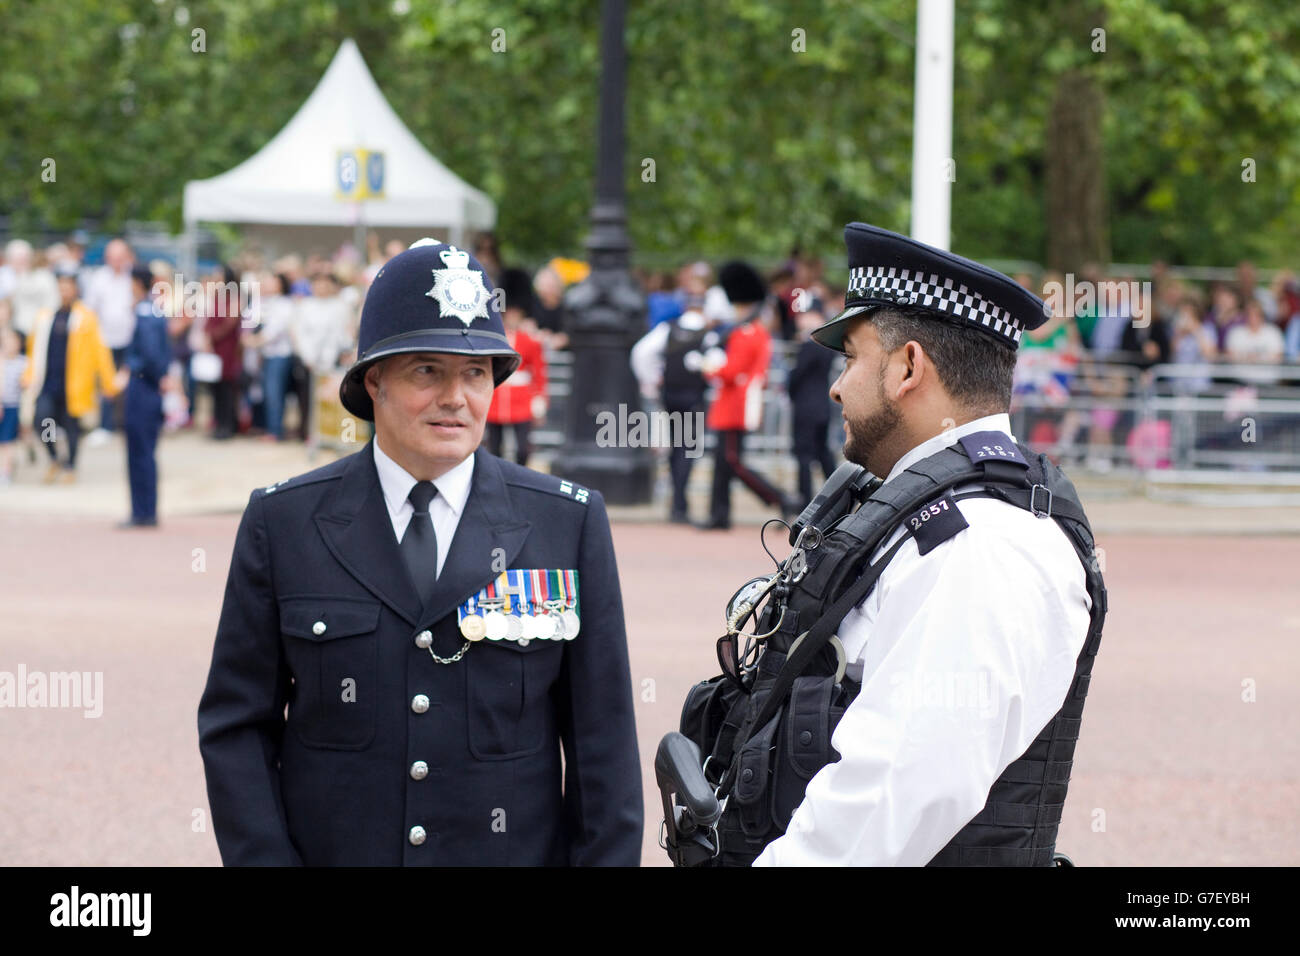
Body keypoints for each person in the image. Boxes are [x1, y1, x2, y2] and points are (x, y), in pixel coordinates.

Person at [669, 223, 1106, 867]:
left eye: (852, 357)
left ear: (907, 367)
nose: (837, 385)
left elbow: (895, 792)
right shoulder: (929, 513)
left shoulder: (982, 545)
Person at [198, 239, 643, 866]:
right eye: (427, 371)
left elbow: (605, 749)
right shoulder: (285, 521)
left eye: (475, 372)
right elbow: (236, 727)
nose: (455, 397)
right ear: (373, 381)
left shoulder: (564, 522)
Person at [702, 261, 796, 529]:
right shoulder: (753, 331)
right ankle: (719, 515)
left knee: (733, 463)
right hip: (734, 403)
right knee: (723, 464)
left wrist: (708, 368)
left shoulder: (746, 333)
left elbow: (732, 371)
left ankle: (781, 498)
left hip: (735, 405)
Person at [20, 268, 121, 483]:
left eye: (68, 287)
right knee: (43, 421)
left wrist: (108, 382)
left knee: (72, 426)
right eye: (61, 287)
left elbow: (99, 351)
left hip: (74, 383)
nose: (64, 292)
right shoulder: (46, 316)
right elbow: (33, 349)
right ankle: (55, 457)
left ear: (75, 289)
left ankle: (71, 466)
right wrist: (29, 374)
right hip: (48, 381)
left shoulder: (85, 318)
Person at [118, 267, 172, 528]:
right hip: (148, 386)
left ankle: (143, 511)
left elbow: (150, 355)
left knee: (139, 450)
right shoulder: (153, 310)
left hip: (143, 387)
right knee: (144, 450)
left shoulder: (145, 312)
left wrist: (143, 371)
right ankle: (144, 509)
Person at [484, 268, 547, 466]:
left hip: (521, 399)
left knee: (522, 449)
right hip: (496, 399)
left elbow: (538, 371)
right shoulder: (494, 338)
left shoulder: (530, 341)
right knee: (494, 448)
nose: (511, 316)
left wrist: (539, 399)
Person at [83, 238, 137, 444]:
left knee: (130, 382)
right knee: (107, 384)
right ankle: (105, 425)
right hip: (105, 340)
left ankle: (127, 423)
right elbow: (90, 309)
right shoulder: (99, 278)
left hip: (129, 338)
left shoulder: (132, 276)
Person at [787, 303, 839, 508]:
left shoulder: (810, 345)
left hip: (806, 408)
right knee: (823, 455)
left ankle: (804, 503)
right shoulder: (826, 346)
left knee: (804, 457)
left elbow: (796, 376)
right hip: (821, 408)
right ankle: (837, 498)